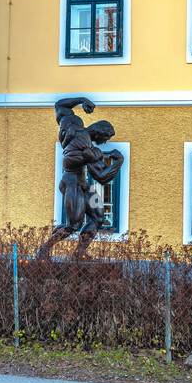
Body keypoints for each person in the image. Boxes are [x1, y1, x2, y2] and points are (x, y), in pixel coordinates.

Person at [34, 97, 124, 260]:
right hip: (72, 184)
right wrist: (118, 162)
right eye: (106, 138)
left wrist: (82, 100)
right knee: (73, 224)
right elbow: (102, 177)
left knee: (98, 217)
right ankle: (43, 251)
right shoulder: (88, 148)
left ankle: (79, 253)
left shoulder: (72, 126)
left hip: (82, 184)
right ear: (99, 132)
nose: (104, 142)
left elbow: (60, 105)